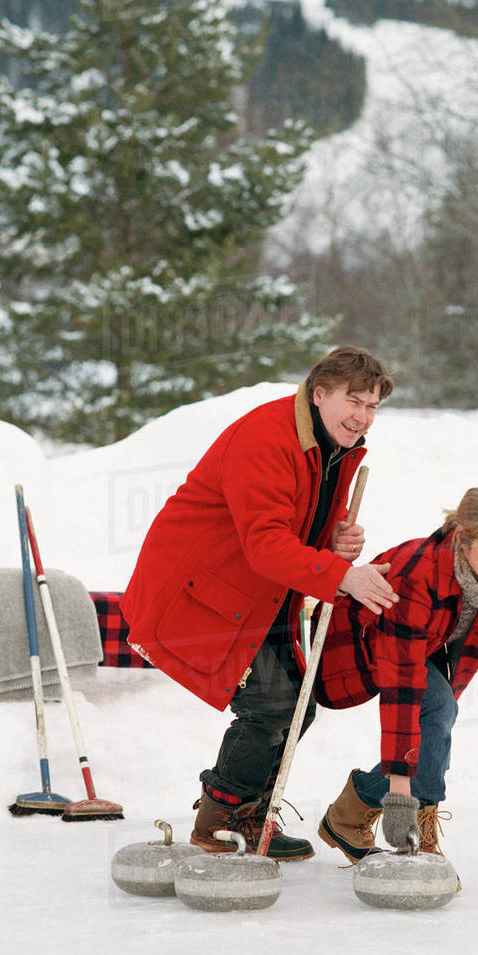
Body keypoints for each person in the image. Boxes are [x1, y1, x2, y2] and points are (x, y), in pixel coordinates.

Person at [120, 346, 398, 860]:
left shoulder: (333, 446)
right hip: (201, 589)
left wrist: (329, 543)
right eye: (353, 400)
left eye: (372, 406)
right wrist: (342, 575)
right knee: (270, 704)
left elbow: (290, 529)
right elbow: (266, 541)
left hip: (260, 591)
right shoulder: (267, 438)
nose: (362, 416)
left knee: (298, 706)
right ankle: (217, 824)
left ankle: (250, 816)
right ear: (319, 393)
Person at [315, 482, 478, 865]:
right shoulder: (417, 575)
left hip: (436, 638)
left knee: (434, 727)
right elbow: (402, 688)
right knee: (437, 709)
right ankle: (418, 833)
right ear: (464, 541)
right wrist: (399, 794)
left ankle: (349, 813)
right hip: (367, 635)